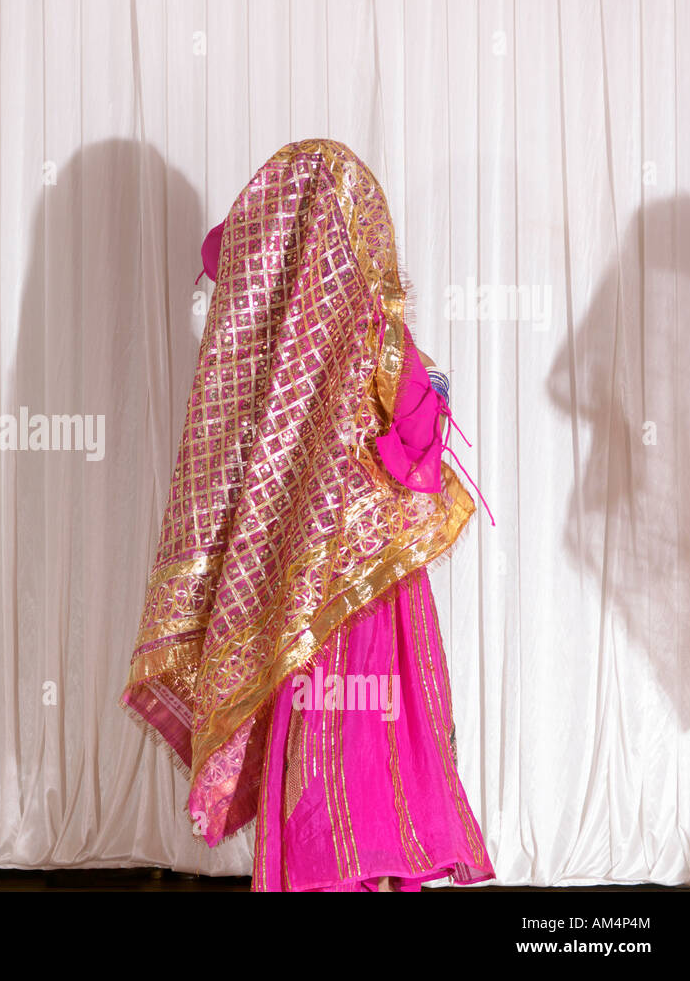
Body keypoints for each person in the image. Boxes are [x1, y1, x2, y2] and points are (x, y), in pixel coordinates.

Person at [122, 139, 494, 891]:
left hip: (284, 582)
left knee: (316, 725)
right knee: (374, 727)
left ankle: (312, 870)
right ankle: (375, 869)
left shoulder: (249, 330)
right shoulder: (373, 333)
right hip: (368, 584)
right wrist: (435, 396)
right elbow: (417, 440)